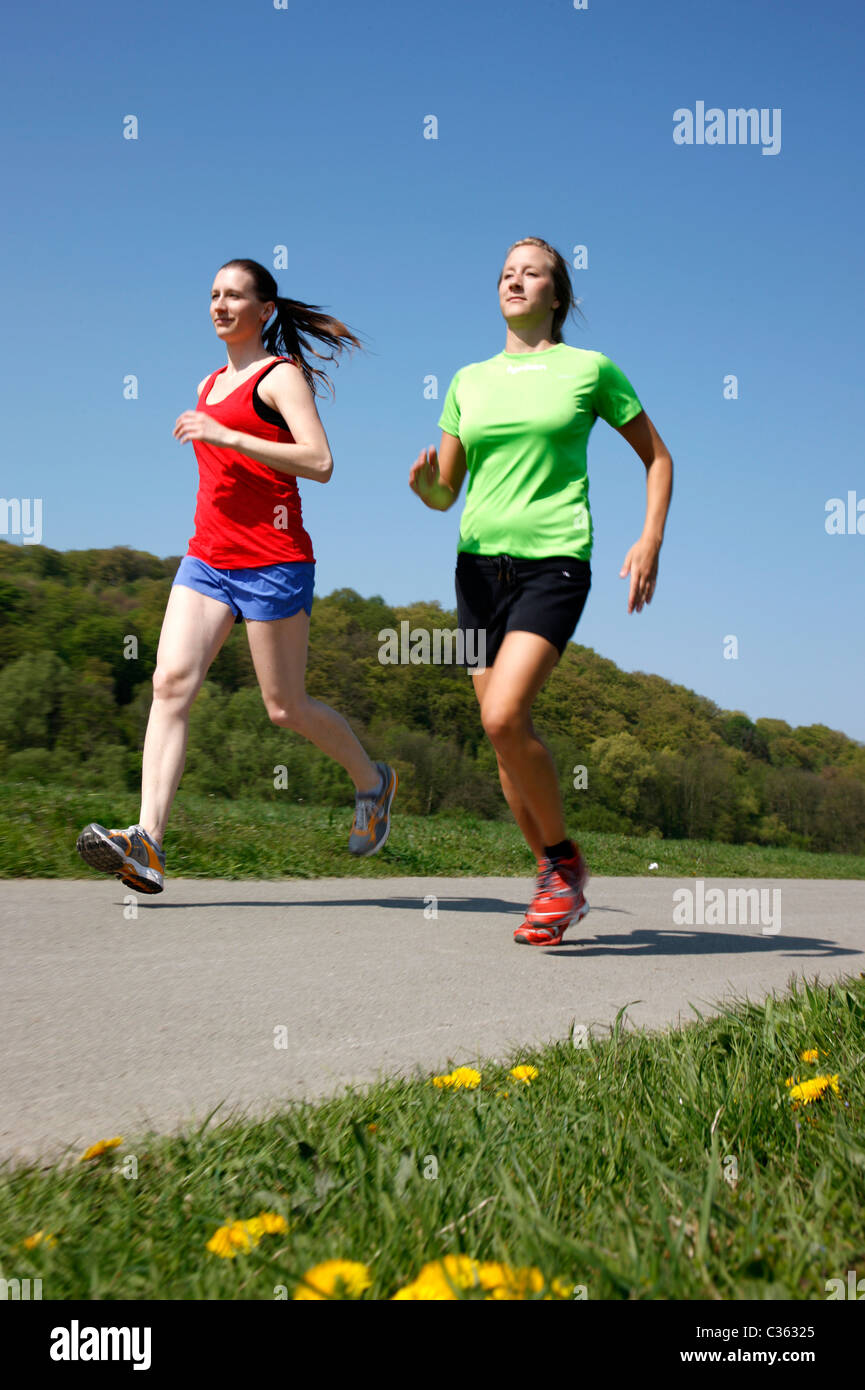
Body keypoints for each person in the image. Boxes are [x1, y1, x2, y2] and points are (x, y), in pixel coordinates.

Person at [77, 258, 397, 893]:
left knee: (284, 707)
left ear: (265, 310)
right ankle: (148, 843)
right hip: (207, 560)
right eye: (214, 295)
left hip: (274, 562)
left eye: (234, 296)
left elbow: (321, 461)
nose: (220, 305)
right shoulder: (208, 382)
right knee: (169, 685)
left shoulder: (280, 379)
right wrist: (219, 431)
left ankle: (372, 782)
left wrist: (228, 435)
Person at [409, 236, 673, 946]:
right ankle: (554, 886)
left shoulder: (590, 371)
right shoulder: (467, 380)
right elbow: (446, 491)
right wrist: (428, 487)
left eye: (531, 273)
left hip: (553, 561)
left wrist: (648, 538)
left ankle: (563, 863)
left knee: (502, 717)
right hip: (474, 570)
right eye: (505, 273)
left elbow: (657, 456)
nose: (514, 281)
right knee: (504, 751)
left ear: (558, 295)